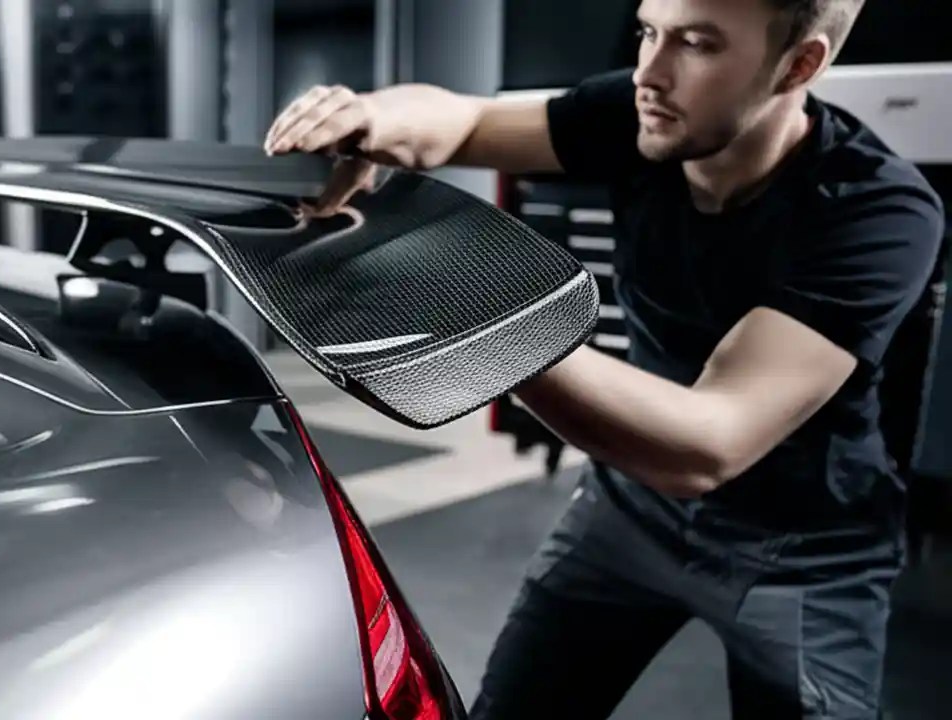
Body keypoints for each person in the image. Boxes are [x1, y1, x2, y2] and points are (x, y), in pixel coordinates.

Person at [264, 0, 946, 717]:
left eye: (698, 43)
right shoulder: (640, 112)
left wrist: (466, 315)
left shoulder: (878, 211)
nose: (649, 71)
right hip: (630, 511)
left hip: (802, 550)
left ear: (799, 64)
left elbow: (706, 444)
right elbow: (462, 123)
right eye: (651, 31)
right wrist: (365, 117)